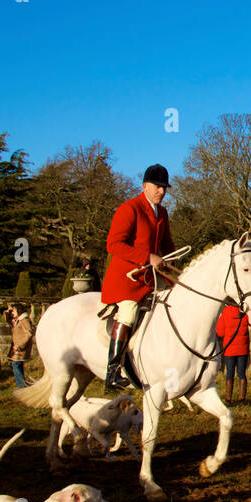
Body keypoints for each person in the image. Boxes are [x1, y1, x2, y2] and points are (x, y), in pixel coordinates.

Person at [99, 163, 174, 389]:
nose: (162, 191)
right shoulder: (129, 208)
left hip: (150, 279)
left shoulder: (162, 213)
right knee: (129, 313)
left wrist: (171, 264)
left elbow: (167, 245)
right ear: (144, 186)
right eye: (157, 186)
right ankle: (113, 371)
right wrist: (148, 257)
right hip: (127, 280)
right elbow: (113, 244)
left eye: (164, 187)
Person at [215, 304, 250, 402]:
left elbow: (220, 333)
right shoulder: (245, 313)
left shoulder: (225, 313)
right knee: (241, 373)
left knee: (229, 373)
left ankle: (228, 397)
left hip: (229, 350)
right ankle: (242, 397)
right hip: (243, 349)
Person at [6, 304, 33, 388]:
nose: (12, 312)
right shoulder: (17, 320)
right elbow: (9, 321)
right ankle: (22, 384)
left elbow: (29, 334)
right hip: (17, 348)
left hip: (20, 348)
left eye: (14, 310)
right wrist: (8, 312)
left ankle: (21, 385)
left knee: (16, 364)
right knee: (17, 364)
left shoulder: (24, 320)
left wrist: (20, 345)